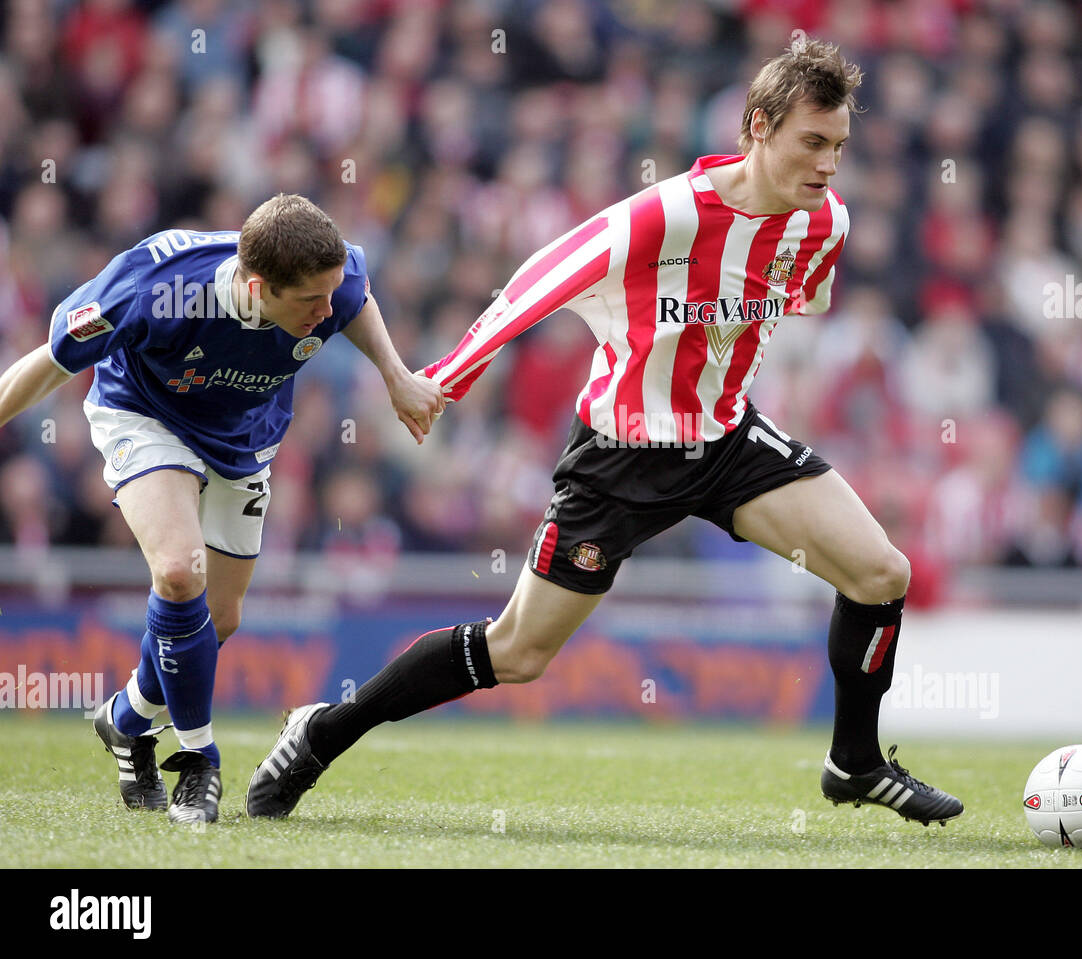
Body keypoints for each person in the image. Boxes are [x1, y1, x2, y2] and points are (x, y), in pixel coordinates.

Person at [248, 40, 963, 825]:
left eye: (839, 147)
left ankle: (853, 763)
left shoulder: (823, 222)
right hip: (620, 459)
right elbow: (540, 277)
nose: (829, 165)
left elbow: (808, 296)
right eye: (813, 143)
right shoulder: (669, 214)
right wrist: (444, 377)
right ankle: (320, 731)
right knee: (516, 652)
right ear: (758, 127)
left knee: (879, 573)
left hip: (726, 443)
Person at [0, 194, 444, 823]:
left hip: (244, 438)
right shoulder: (151, 288)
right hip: (145, 416)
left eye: (331, 295)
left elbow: (357, 301)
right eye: (310, 303)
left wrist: (397, 376)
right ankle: (198, 762)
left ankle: (126, 721)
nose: (327, 314)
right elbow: (48, 365)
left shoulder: (331, 280)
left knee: (218, 620)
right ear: (257, 286)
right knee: (180, 572)